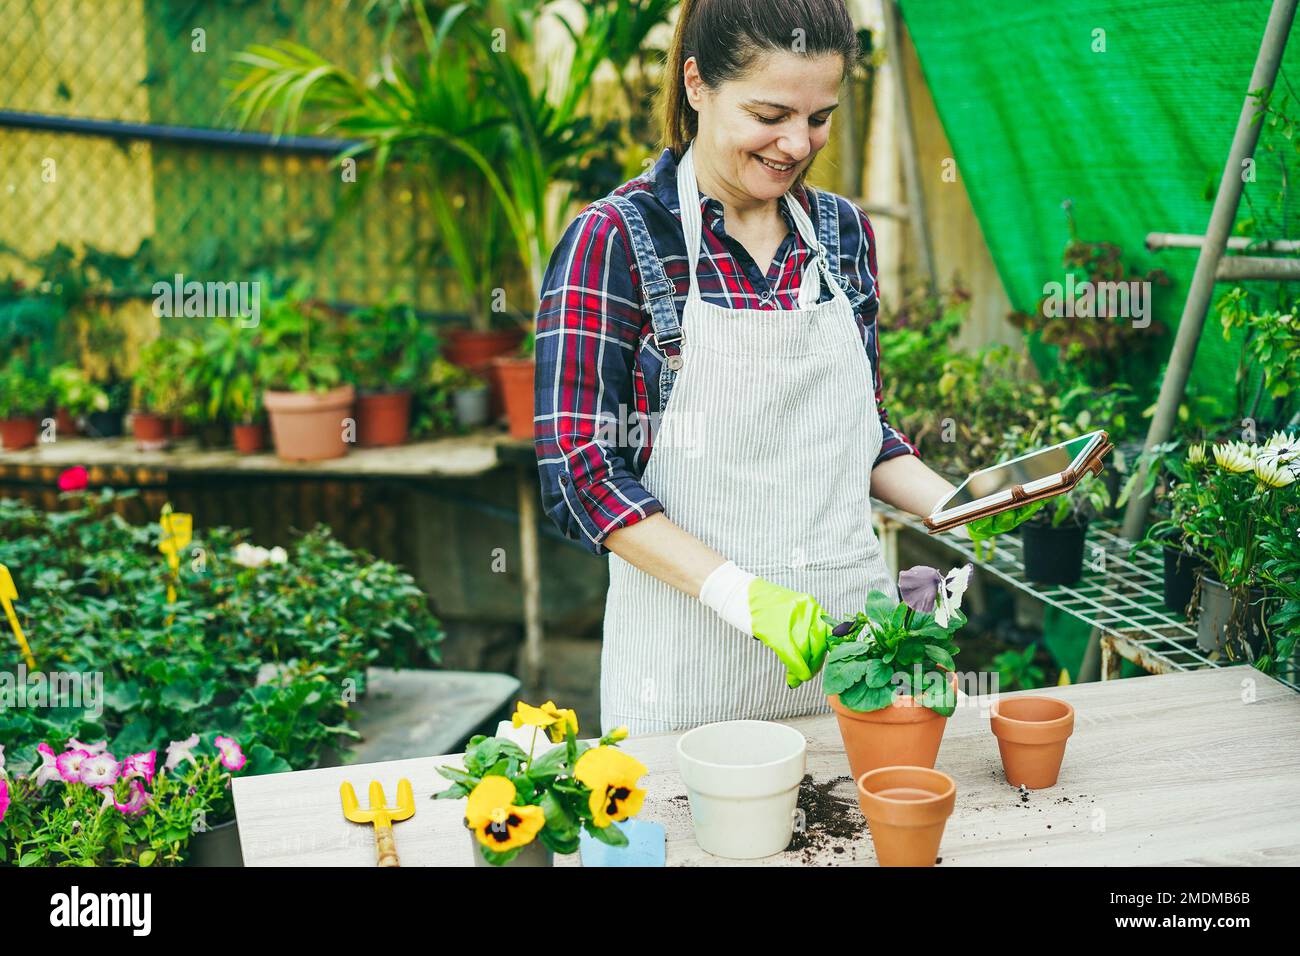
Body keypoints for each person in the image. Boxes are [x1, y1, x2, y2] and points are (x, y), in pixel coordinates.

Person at [534, 0, 963, 735]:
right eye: (770, 114)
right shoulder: (616, 239)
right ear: (697, 84)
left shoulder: (841, 234)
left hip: (847, 667)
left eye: (819, 117)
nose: (797, 144)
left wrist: (963, 510)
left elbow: (866, 434)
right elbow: (579, 474)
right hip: (683, 683)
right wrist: (742, 595)